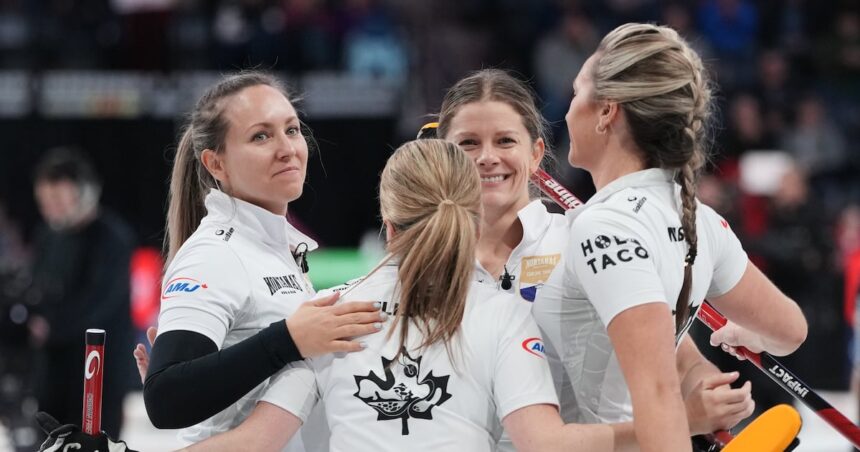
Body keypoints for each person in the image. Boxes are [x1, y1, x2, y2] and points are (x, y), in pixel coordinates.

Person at [184, 139, 638, 452]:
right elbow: (547, 444)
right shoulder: (503, 313)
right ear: (473, 223)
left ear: (389, 226)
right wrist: (663, 424)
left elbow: (256, 442)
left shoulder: (329, 316)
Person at [434, 68, 755, 450]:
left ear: (535, 154)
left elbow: (678, 360)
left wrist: (704, 389)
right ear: (442, 157)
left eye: (505, 140)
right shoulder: (423, 266)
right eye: (468, 143)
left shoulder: (586, 244)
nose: (487, 157)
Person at [557, 23, 807, 450]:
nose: (566, 111)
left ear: (606, 111)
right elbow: (790, 330)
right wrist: (744, 334)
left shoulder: (605, 226)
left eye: (576, 93)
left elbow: (658, 397)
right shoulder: (700, 220)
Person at [139, 71, 383, 449]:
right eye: (261, 136)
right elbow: (165, 399)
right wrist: (290, 339)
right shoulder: (214, 254)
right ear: (216, 164)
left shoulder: (271, 245)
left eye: (292, 130)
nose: (287, 148)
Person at [28, 147, 136, 439]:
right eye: (45, 201)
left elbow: (99, 302)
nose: (51, 209)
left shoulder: (112, 238)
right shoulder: (47, 236)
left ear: (85, 193)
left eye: (58, 200)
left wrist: (50, 326)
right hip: (54, 370)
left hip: (97, 374)